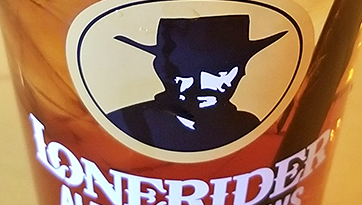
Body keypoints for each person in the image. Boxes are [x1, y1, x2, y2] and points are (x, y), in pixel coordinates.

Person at [107, 15, 285, 152]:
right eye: (187, 71)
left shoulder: (248, 127)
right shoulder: (124, 124)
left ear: (240, 72)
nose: (203, 84)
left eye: (219, 72)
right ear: (163, 73)